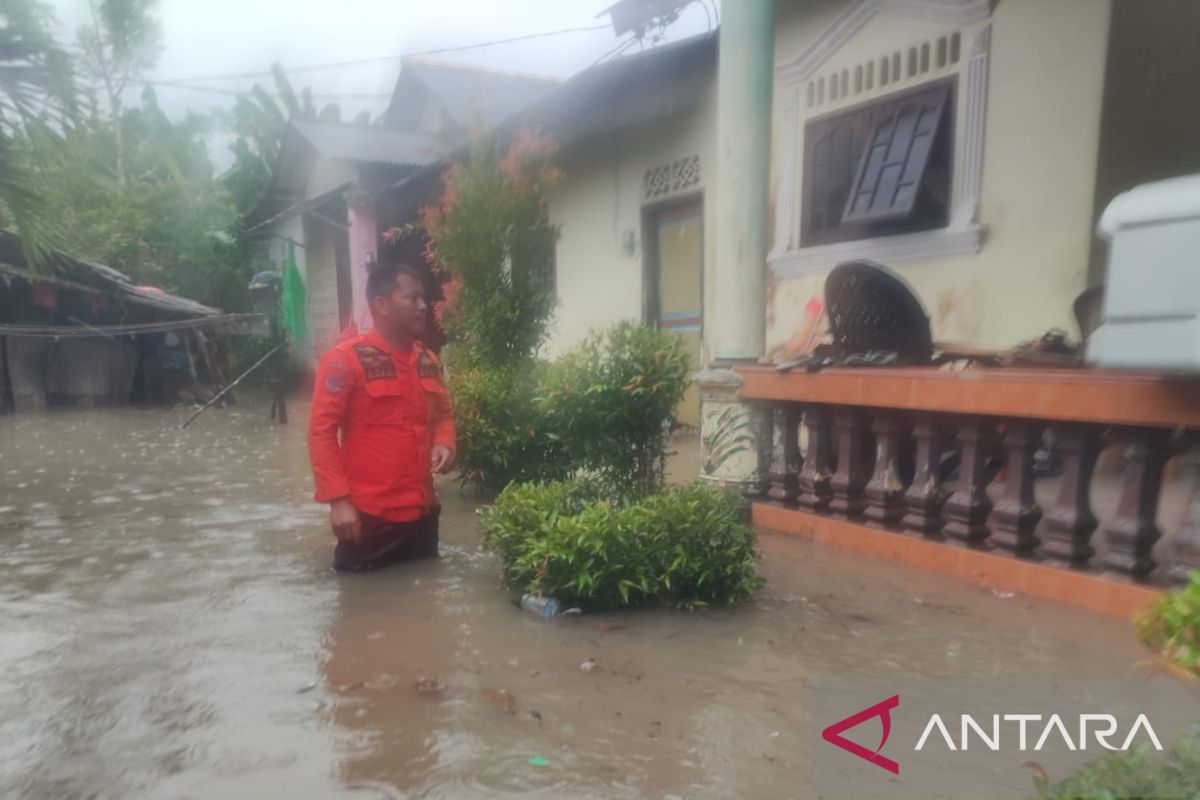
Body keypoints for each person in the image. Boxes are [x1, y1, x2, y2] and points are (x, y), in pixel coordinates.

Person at [307, 262, 455, 571]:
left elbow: (443, 413)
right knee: (361, 612)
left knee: (426, 607)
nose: (423, 306)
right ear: (382, 305)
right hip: (368, 521)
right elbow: (321, 431)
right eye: (412, 298)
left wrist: (444, 442)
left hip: (423, 515)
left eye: (423, 298)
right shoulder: (344, 360)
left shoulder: (428, 360)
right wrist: (338, 501)